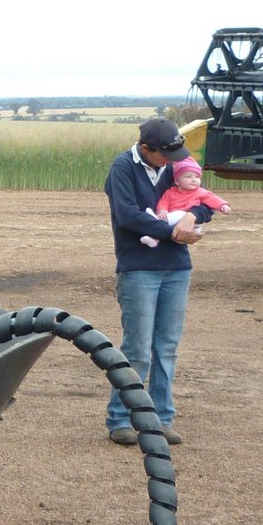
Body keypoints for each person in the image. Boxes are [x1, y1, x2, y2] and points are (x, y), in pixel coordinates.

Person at [103, 118, 213, 447]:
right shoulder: (122, 168)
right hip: (138, 268)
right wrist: (174, 232)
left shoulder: (175, 164)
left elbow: (202, 198)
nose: (174, 161)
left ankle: (162, 418)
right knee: (137, 350)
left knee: (166, 349)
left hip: (177, 268)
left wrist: (194, 217)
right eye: (166, 155)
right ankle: (120, 419)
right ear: (146, 149)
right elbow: (128, 216)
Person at [140, 158, 231, 248]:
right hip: (173, 224)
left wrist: (223, 205)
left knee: (180, 214)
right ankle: (154, 239)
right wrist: (162, 210)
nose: (193, 180)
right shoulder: (170, 192)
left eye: (197, 177)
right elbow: (163, 202)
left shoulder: (201, 192)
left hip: (192, 225)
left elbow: (213, 199)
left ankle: (157, 221)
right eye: (188, 177)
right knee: (168, 223)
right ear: (177, 181)